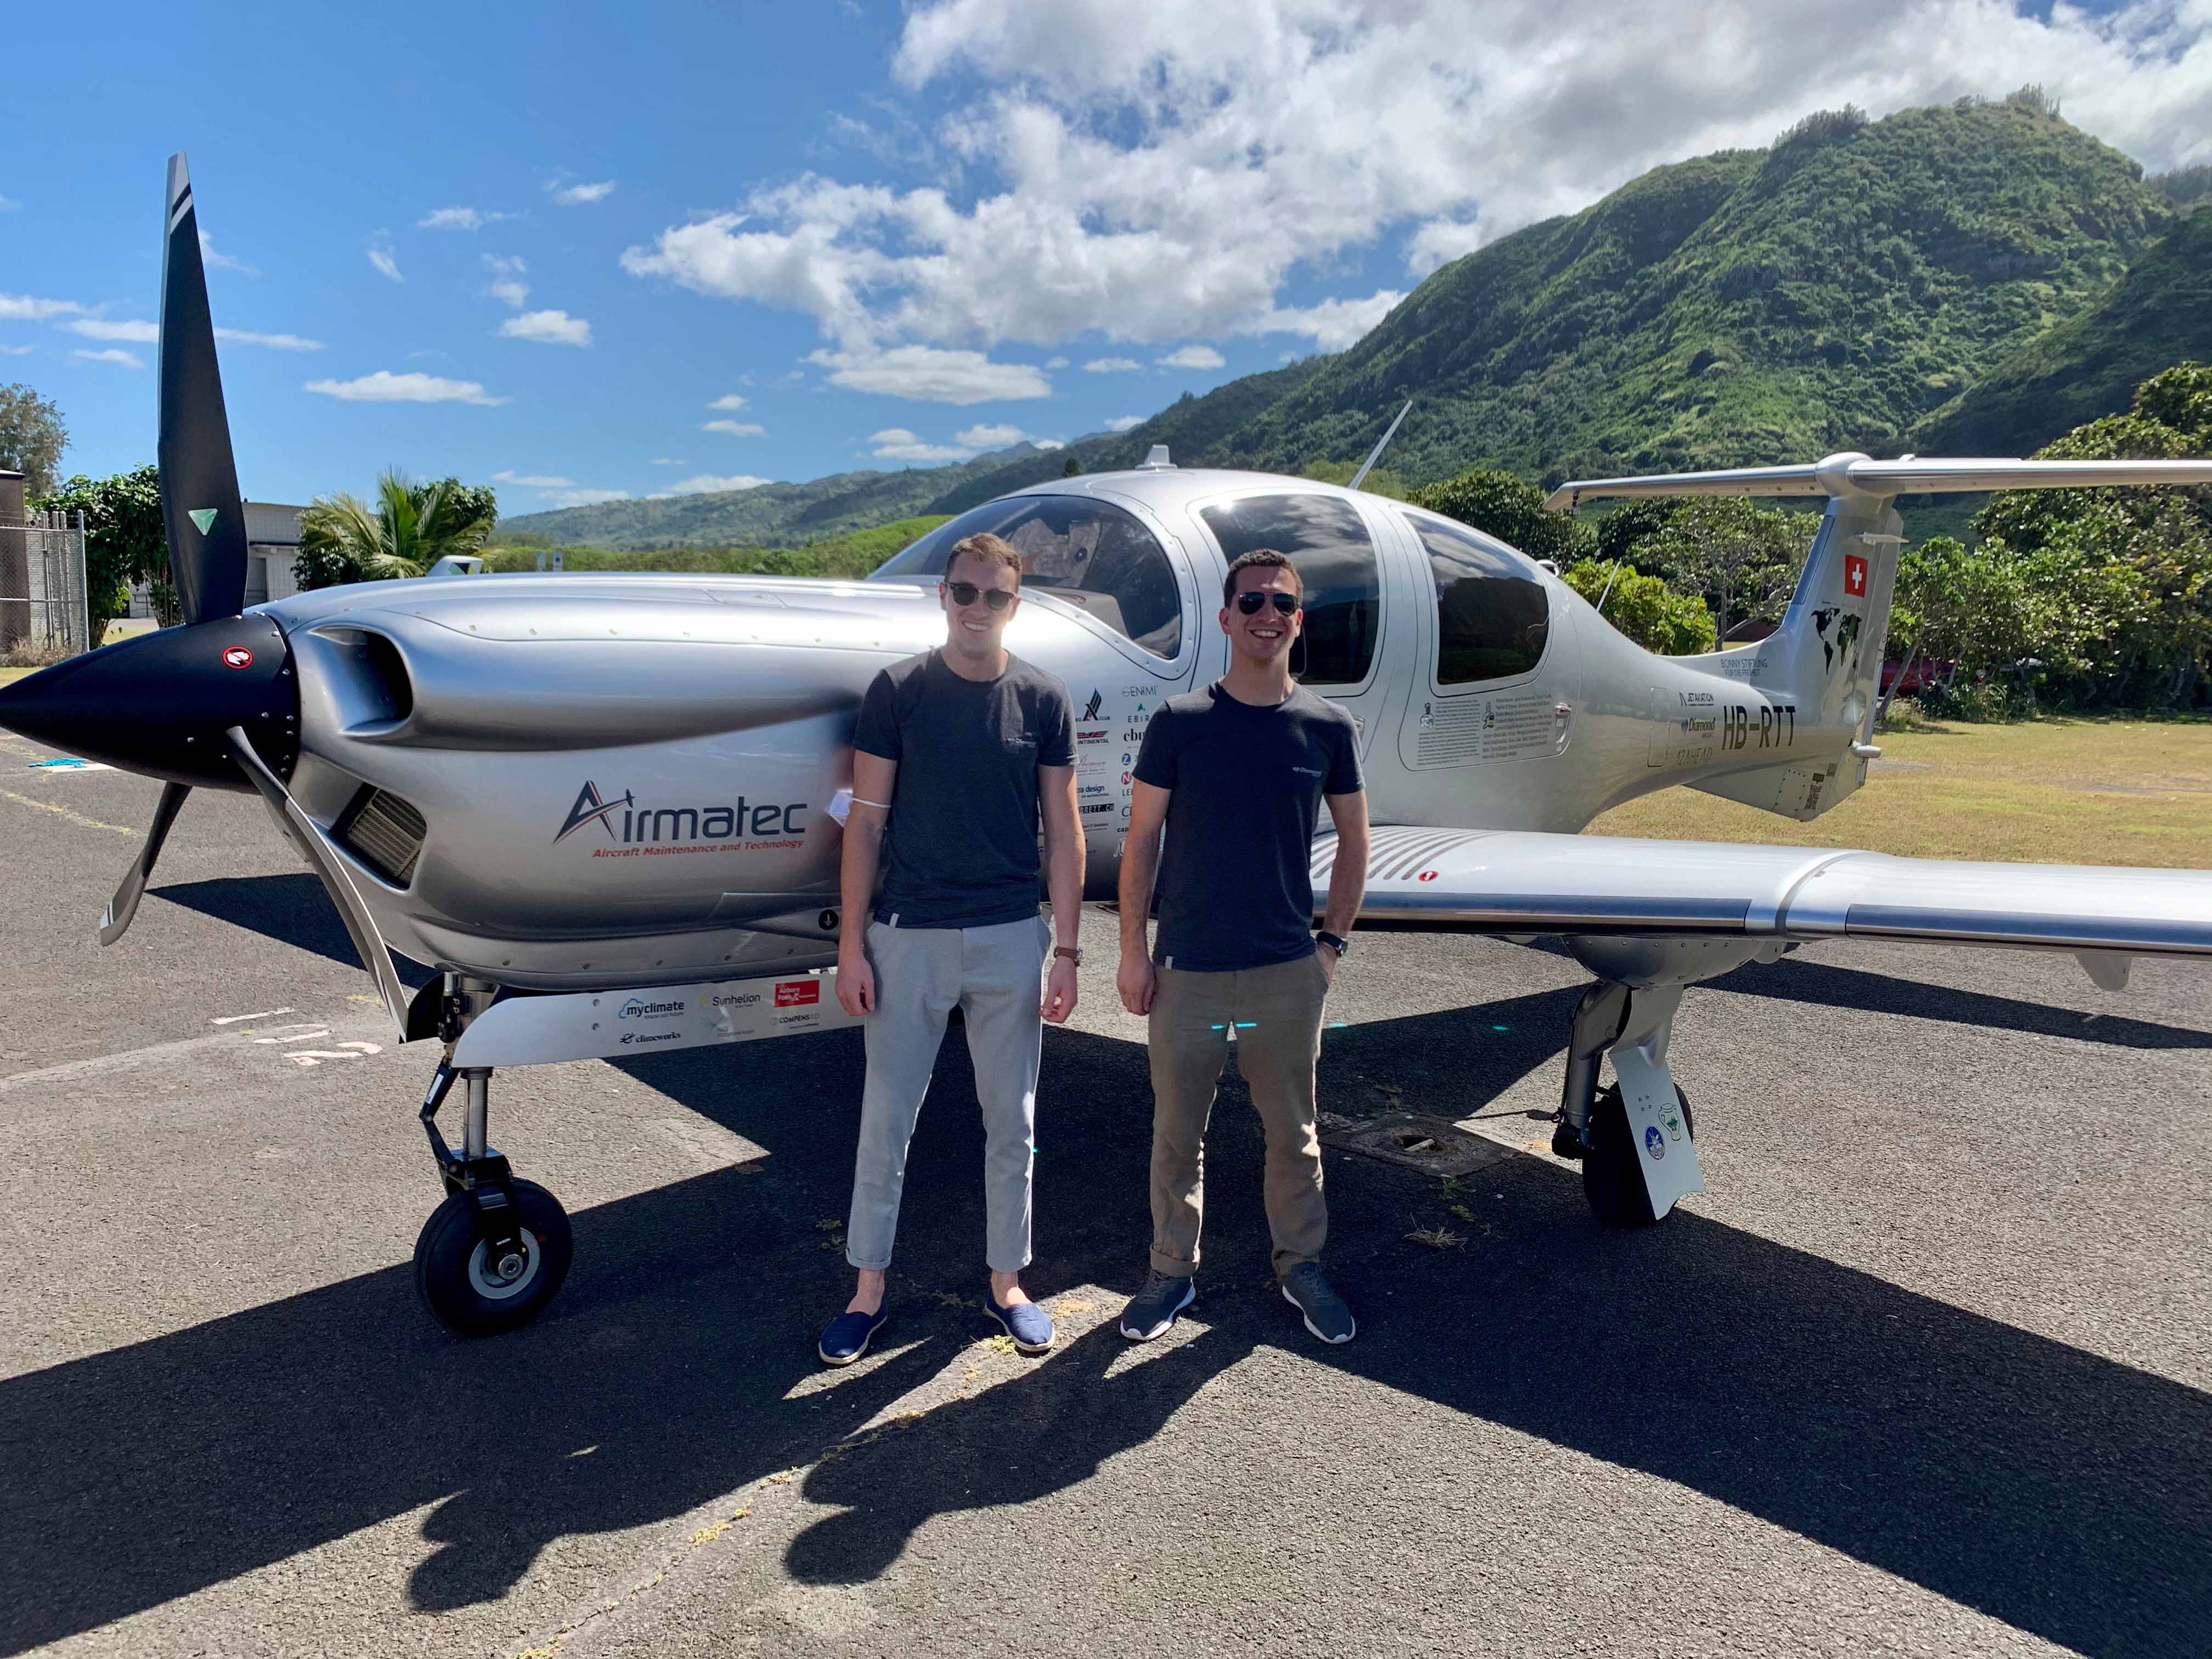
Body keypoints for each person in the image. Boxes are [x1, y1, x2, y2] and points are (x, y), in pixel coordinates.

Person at [818, 532, 1084, 1367]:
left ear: (1016, 603)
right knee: (885, 1123)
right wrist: (852, 948)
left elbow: (1066, 833)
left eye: (994, 597)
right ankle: (867, 1293)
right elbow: (864, 824)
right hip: (908, 936)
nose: (978, 609)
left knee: (1013, 1120)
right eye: (964, 593)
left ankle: (1009, 1283)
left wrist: (1069, 950)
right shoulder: (897, 691)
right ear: (942, 596)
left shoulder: (1043, 699)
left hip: (1010, 933)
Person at [1115, 548, 1370, 1346]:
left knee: (1293, 1133)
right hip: (1187, 971)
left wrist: (1329, 946)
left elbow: (1357, 843)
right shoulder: (1180, 723)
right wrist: (1132, 950)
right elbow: (1140, 843)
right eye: (1252, 602)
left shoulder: (1327, 727)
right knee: (1175, 1134)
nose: (1268, 616)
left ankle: (1301, 1266)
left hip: (1283, 974)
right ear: (1226, 618)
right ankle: (1170, 1272)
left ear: (1300, 622)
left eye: (1283, 605)